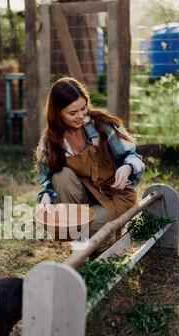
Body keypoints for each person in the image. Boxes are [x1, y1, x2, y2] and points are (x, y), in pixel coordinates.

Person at [36, 77, 145, 237]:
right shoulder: (50, 142)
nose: (80, 115)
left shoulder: (102, 126)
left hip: (115, 197)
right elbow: (47, 180)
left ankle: (88, 237)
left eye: (83, 108)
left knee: (81, 229)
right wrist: (46, 195)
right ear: (57, 113)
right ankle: (79, 232)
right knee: (61, 176)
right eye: (73, 113)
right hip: (85, 197)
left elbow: (132, 157)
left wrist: (127, 167)